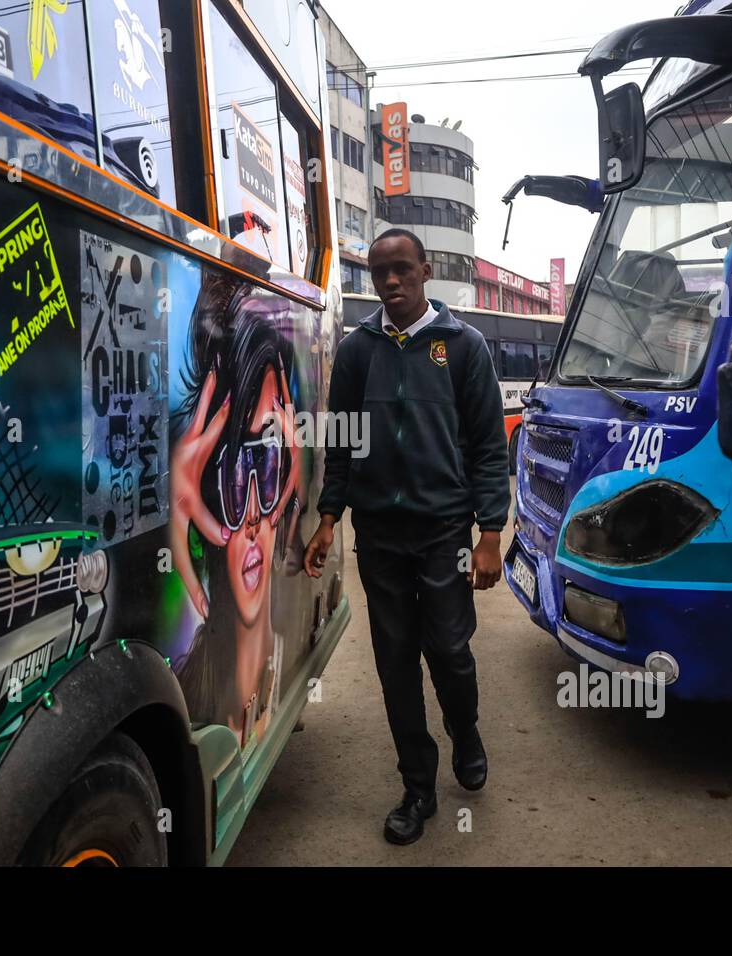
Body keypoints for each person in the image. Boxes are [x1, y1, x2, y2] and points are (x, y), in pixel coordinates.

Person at [304, 228, 509, 845]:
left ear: (425, 270)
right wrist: (329, 516)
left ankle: (464, 730)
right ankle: (417, 787)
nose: (390, 282)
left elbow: (489, 449)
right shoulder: (358, 351)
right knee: (395, 665)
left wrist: (490, 532)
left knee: (448, 650)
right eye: (378, 272)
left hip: (445, 527)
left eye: (401, 270)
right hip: (380, 534)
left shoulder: (463, 347)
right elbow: (339, 444)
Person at [170, 278, 302, 750]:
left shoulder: (291, 659)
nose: (251, 517)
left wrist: (293, 464)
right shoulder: (181, 699)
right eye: (231, 474)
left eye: (264, 461)